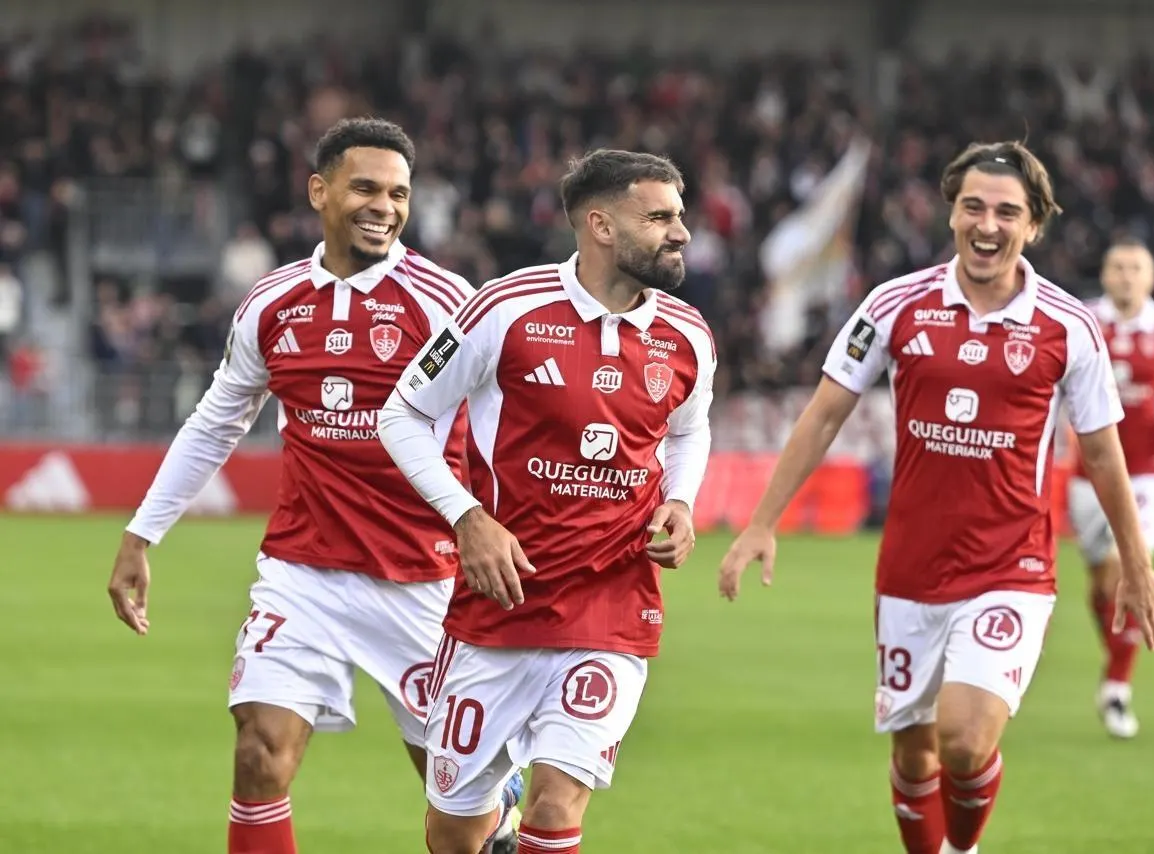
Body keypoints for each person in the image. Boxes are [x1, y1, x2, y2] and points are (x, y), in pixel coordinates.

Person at [717, 140, 1154, 854]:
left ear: (1034, 226)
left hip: (1010, 568)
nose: (988, 225)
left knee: (963, 739)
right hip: (909, 571)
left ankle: (963, 847)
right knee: (913, 753)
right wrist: (760, 523)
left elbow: (1104, 451)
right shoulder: (895, 304)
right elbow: (826, 411)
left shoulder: (1066, 325)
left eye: (1007, 212)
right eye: (973, 207)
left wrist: (1136, 563)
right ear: (951, 213)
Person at [105, 117, 520, 854]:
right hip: (304, 575)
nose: (383, 206)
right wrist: (143, 532)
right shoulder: (272, 302)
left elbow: (507, 423)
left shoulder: (446, 300)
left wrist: (495, 524)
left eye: (398, 194)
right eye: (365, 187)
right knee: (259, 754)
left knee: (458, 828)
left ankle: (500, 810)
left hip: (424, 582)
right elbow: (215, 422)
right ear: (319, 191)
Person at [378, 148, 716, 854]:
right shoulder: (506, 308)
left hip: (614, 603)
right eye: (658, 217)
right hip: (500, 608)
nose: (680, 232)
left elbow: (689, 430)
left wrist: (680, 502)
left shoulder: (688, 335)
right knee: (454, 830)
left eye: (678, 216)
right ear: (600, 225)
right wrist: (467, 520)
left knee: (558, 807)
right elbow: (401, 414)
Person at [1067, 237, 1154, 739]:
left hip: (1148, 470)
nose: (1126, 276)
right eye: (1117, 267)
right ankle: (1117, 657)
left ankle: (1117, 688)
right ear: (1104, 274)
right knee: (1103, 582)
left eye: (1135, 269)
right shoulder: (1081, 321)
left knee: (1132, 565)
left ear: (1151, 278)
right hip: (1090, 473)